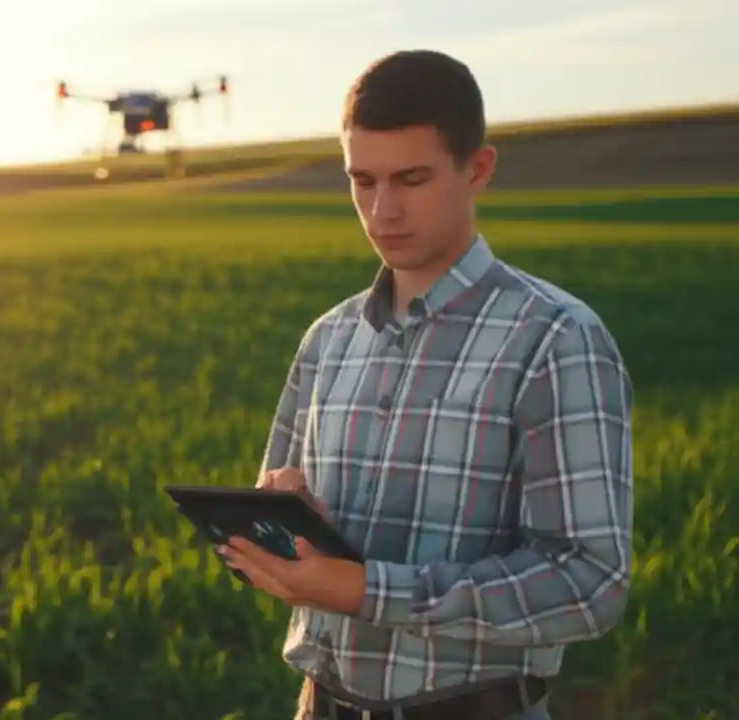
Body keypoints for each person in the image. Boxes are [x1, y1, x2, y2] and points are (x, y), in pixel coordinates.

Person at [215, 49, 634, 720]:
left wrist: (366, 590)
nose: (383, 210)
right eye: (362, 180)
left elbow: (588, 584)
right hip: (319, 705)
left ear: (478, 169)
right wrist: (277, 533)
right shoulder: (329, 340)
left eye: (412, 178)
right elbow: (276, 531)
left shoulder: (555, 340)